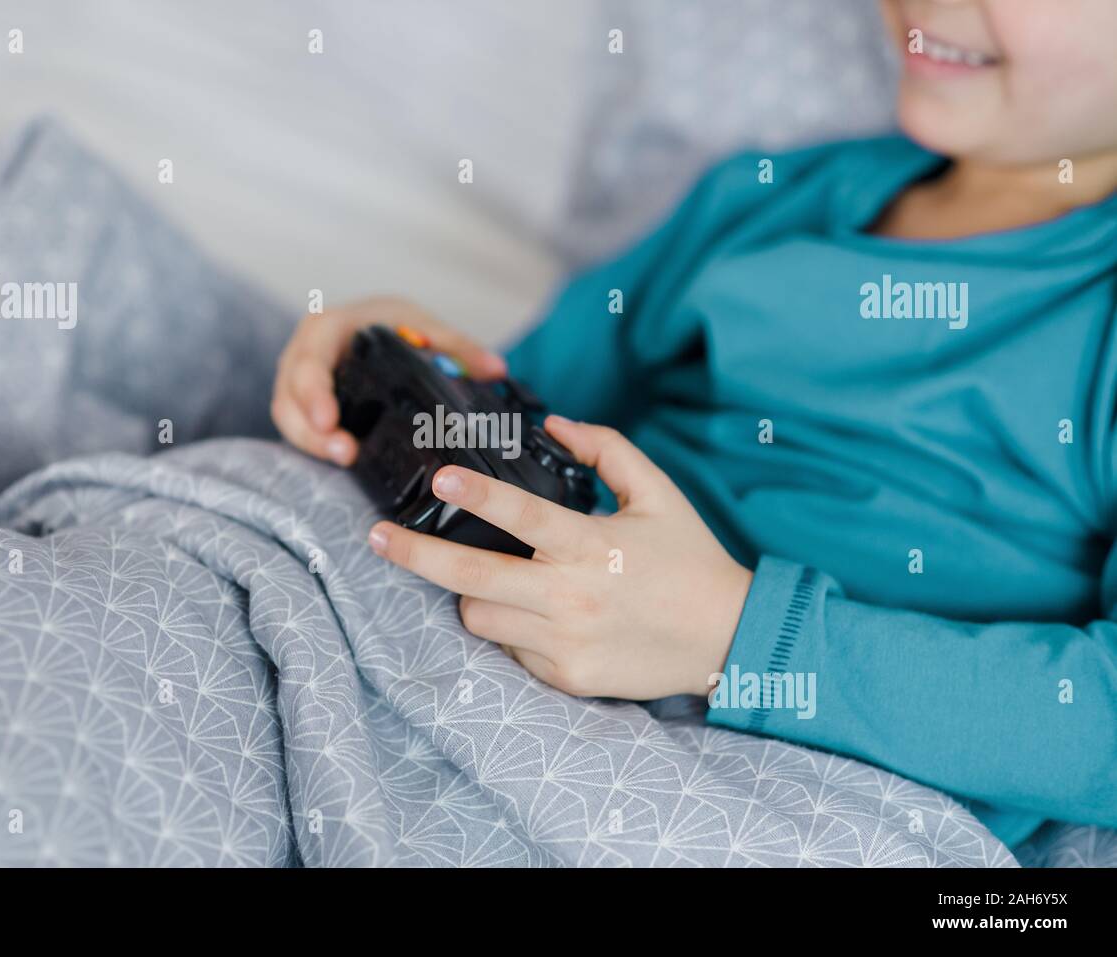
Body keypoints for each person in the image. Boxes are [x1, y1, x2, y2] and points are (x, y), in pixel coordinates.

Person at [270, 0, 1117, 848]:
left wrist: (736, 636)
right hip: (485, 635)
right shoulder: (763, 197)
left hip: (793, 797)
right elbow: (534, 410)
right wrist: (408, 371)